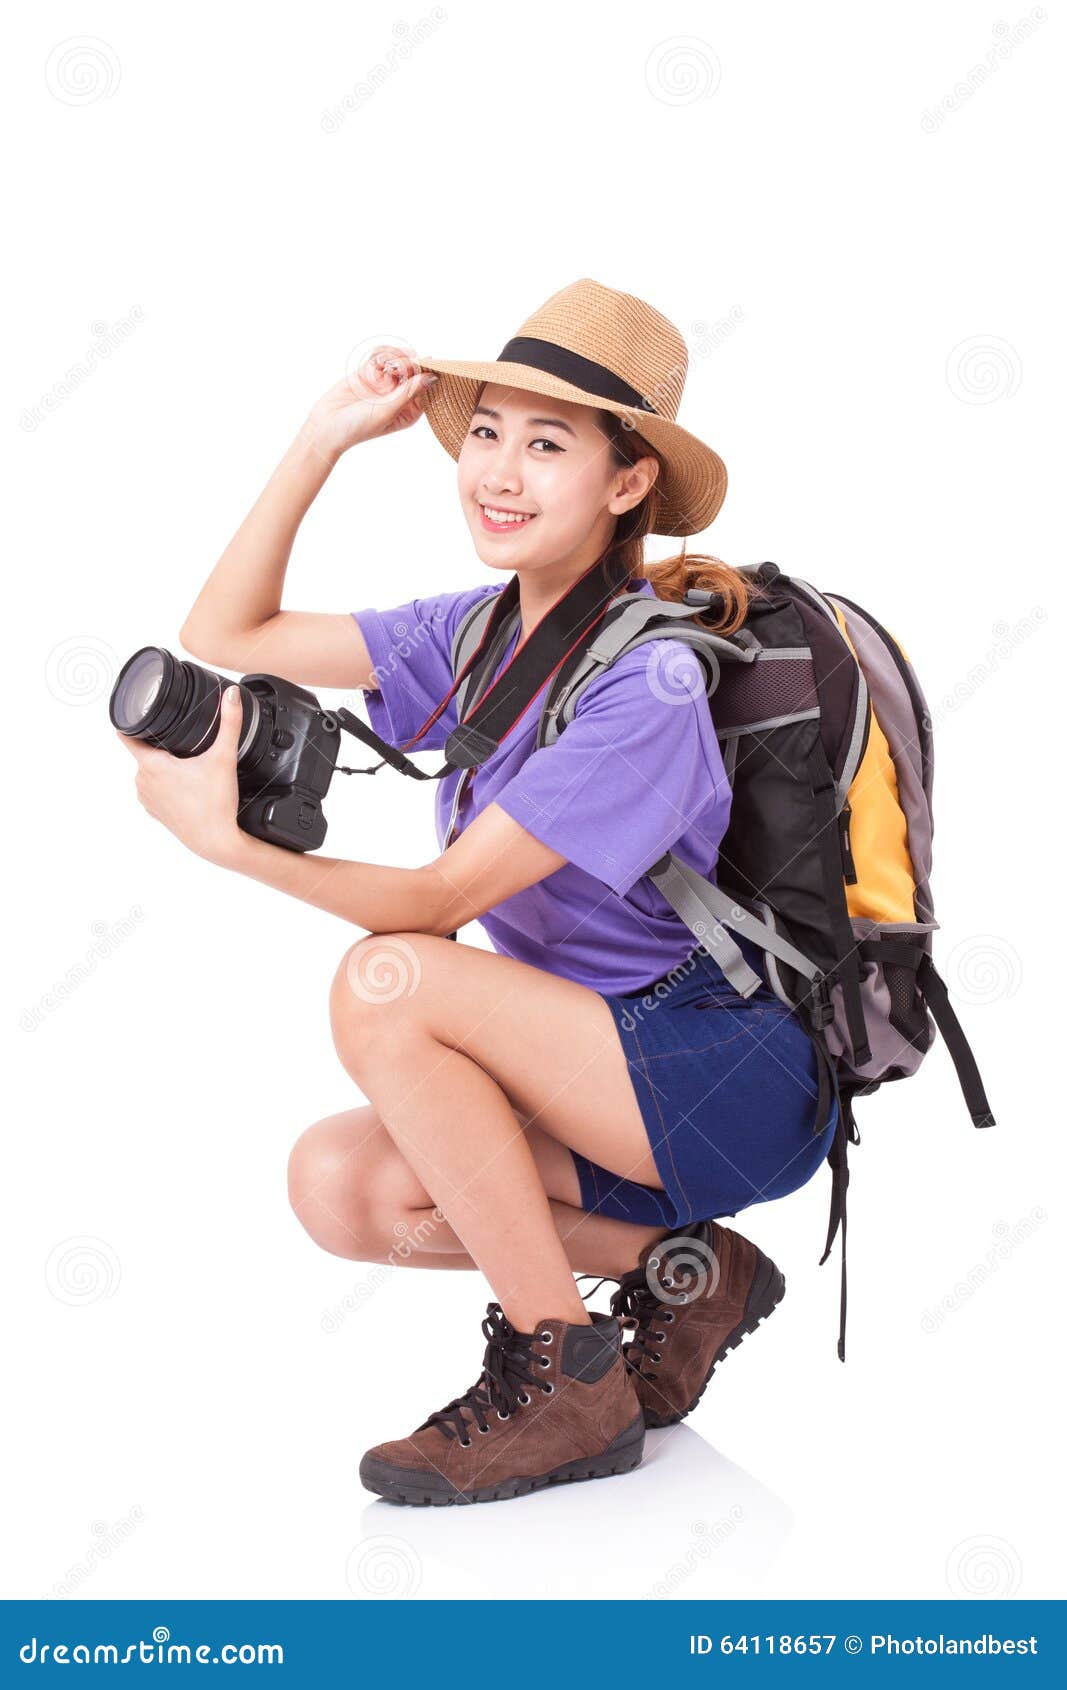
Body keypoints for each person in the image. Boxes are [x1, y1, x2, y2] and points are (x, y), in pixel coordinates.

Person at [120, 278, 837, 1507]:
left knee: (384, 981)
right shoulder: (476, 634)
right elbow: (227, 628)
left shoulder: (650, 687)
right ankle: (684, 1274)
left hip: (722, 1066)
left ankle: (565, 1377)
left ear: (626, 486)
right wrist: (321, 438)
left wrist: (228, 846)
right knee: (342, 1187)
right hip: (602, 1066)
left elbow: (439, 896)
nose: (497, 471)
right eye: (488, 433)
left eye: (546, 444)